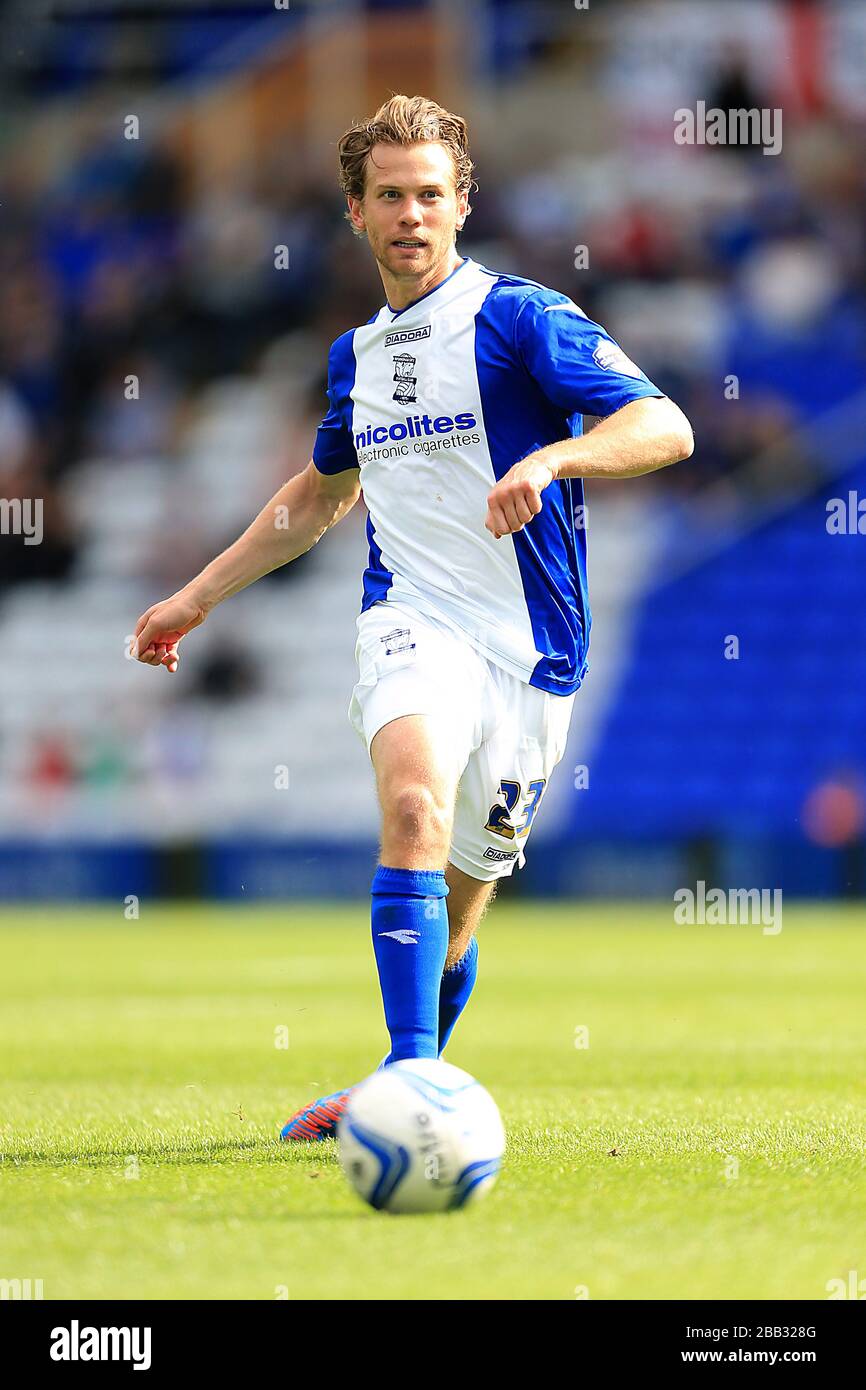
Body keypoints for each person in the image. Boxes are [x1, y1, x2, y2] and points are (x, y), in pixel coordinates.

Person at [131, 95, 694, 1140]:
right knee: (412, 814)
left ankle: (412, 1066)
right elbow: (318, 493)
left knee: (469, 883)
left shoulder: (520, 317)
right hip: (411, 621)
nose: (409, 213)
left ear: (460, 204)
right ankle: (403, 1084)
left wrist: (553, 457)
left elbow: (664, 423)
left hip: (531, 651)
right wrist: (196, 595)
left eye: (428, 194)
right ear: (354, 210)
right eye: (387, 195)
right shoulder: (353, 357)